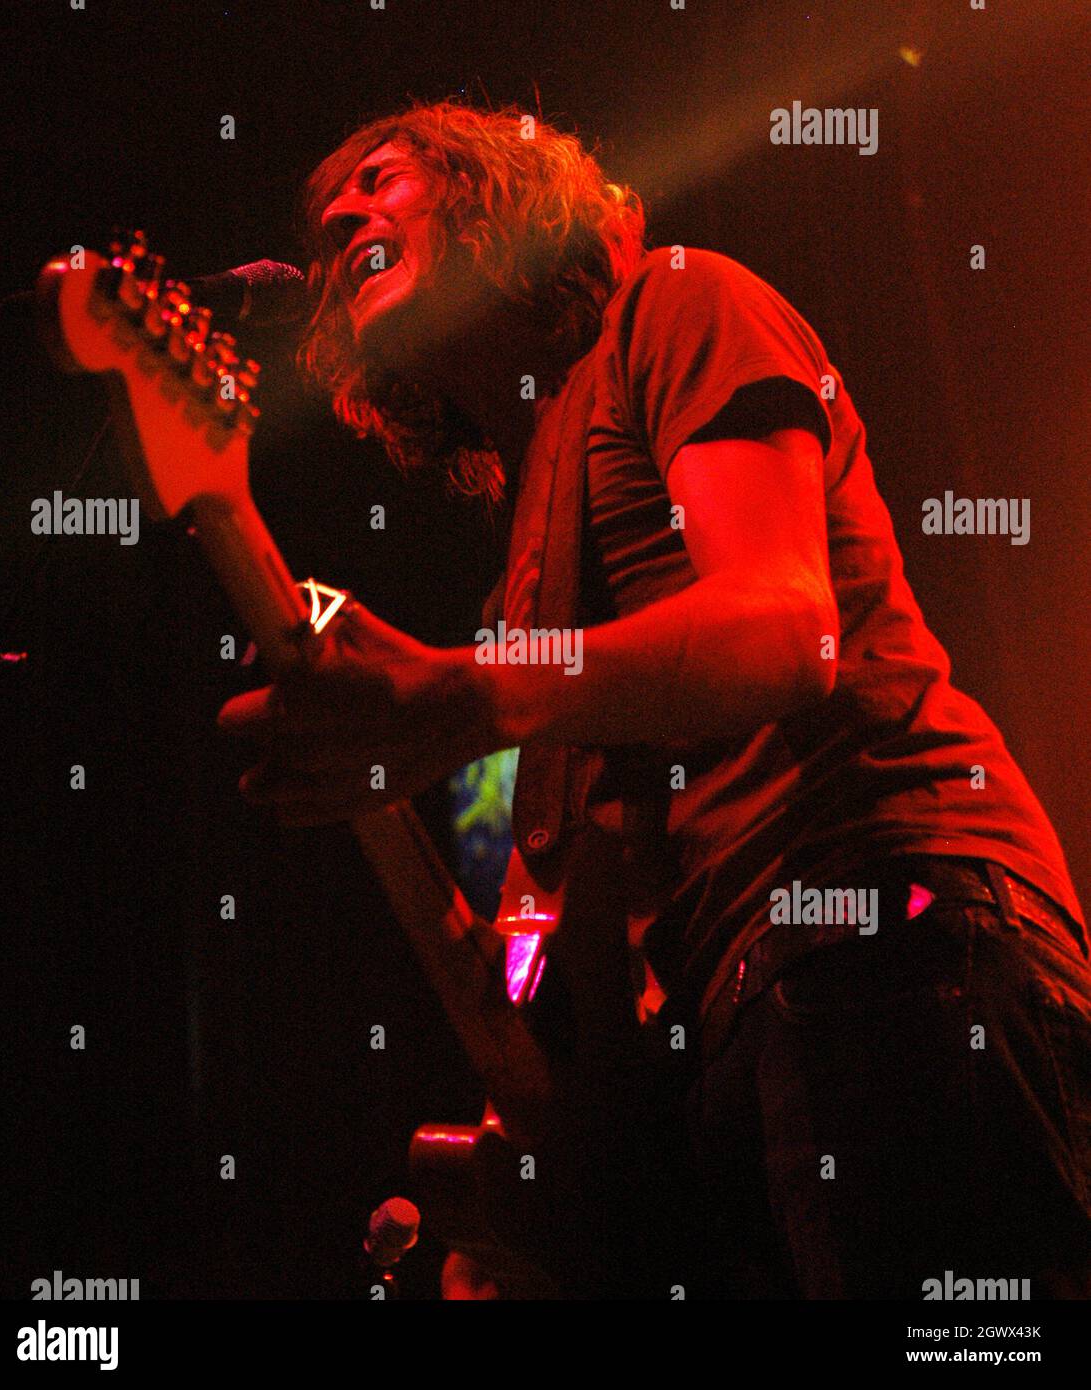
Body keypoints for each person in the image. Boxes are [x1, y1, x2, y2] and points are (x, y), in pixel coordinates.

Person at [218, 100, 1091, 1299]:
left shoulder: (677, 302)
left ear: (494, 193)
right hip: (724, 1031)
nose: (343, 216)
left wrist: (464, 699)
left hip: (882, 932)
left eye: (380, 177)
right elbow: (556, 924)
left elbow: (783, 627)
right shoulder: (523, 545)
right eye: (328, 223)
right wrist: (516, 1176)